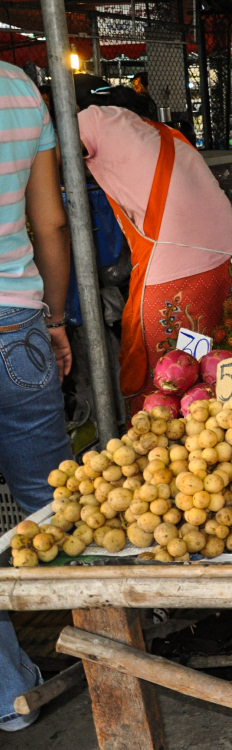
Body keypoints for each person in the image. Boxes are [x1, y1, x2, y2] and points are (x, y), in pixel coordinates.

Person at [74, 77, 232, 406]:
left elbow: (49, 158)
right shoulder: (165, 134)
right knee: (212, 376)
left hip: (181, 270)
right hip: (231, 263)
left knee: (164, 386)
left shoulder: (95, 118)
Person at [0, 60, 73, 734]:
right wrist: (54, 318)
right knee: (53, 500)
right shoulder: (20, 88)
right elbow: (49, 223)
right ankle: (108, 647)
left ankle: (8, 691)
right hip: (18, 323)